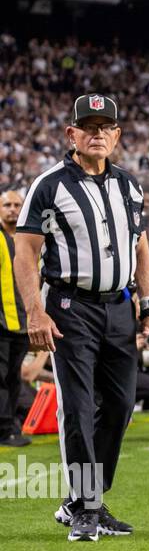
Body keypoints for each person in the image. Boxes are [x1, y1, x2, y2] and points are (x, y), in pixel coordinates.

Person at [13, 94, 149, 541]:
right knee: (79, 407)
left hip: (121, 307)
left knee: (121, 405)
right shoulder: (48, 185)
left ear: (117, 136)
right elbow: (25, 251)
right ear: (72, 135)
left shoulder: (130, 186)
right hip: (70, 307)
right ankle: (86, 506)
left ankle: (86, 498)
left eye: (106, 127)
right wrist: (36, 311)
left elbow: (139, 248)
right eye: (89, 126)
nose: (97, 133)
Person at [0, 189, 32, 447]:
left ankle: (10, 427)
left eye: (16, 204)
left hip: (22, 323)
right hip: (1, 323)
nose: (12, 209)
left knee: (13, 378)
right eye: (7, 204)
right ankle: (4, 429)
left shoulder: (28, 239)